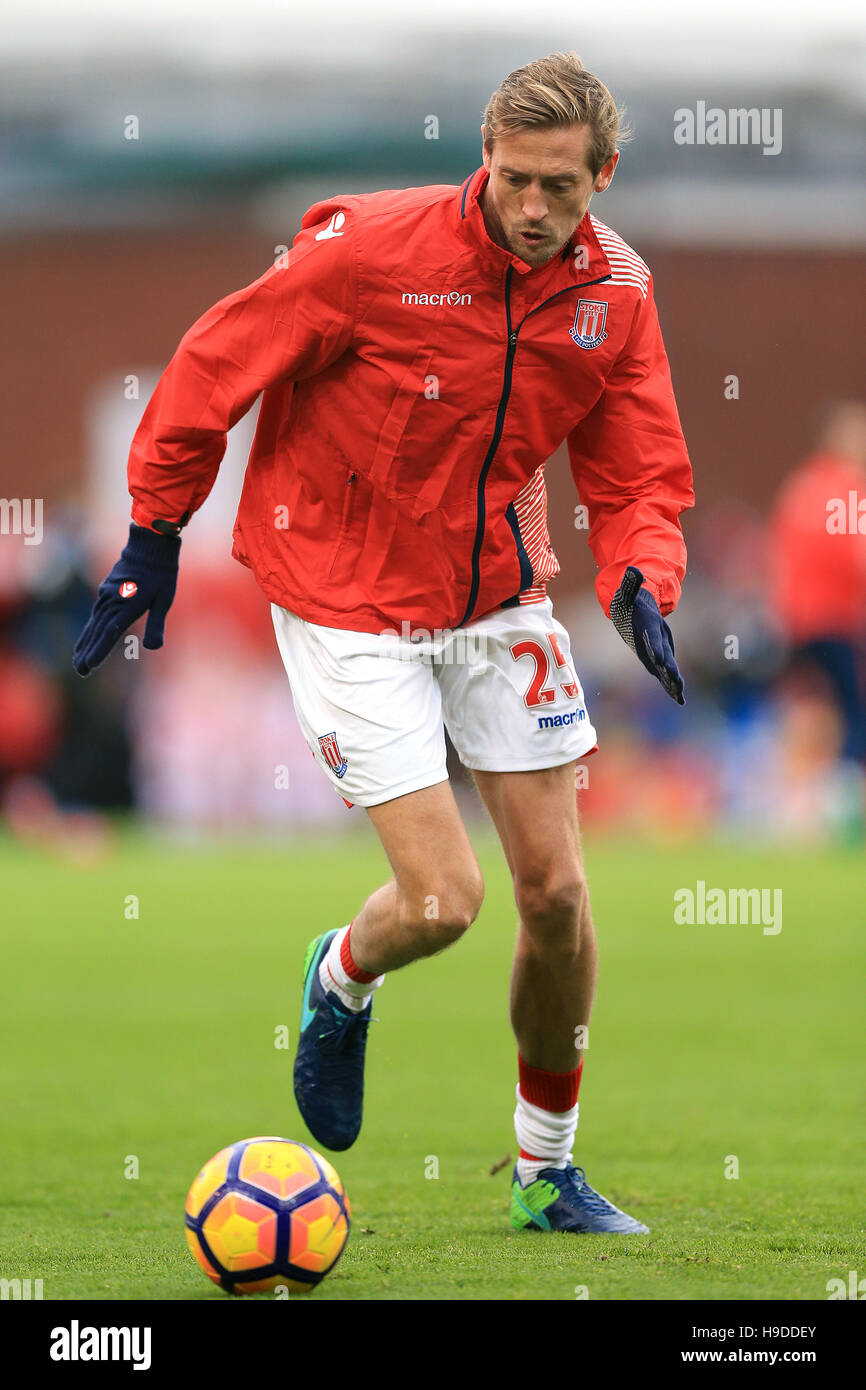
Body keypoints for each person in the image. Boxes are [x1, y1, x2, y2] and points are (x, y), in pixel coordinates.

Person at [74, 52, 694, 1236]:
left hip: (496, 595)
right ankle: (341, 974)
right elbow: (213, 365)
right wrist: (154, 529)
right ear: (483, 153)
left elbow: (636, 471)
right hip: (343, 593)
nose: (531, 206)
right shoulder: (368, 250)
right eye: (513, 178)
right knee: (445, 901)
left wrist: (638, 578)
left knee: (558, 895)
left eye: (560, 186)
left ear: (603, 176)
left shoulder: (617, 291)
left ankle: (543, 1172)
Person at [768, 400, 866, 764]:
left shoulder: (799, 486)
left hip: (796, 625)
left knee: (809, 717)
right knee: (850, 718)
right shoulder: (848, 489)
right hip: (835, 622)